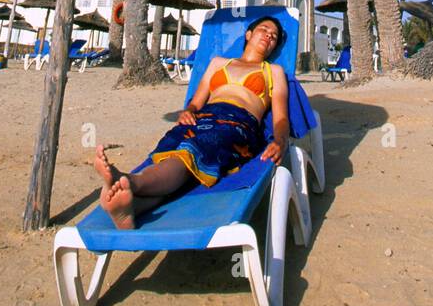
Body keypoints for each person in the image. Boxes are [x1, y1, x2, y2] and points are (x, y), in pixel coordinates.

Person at [94, 17, 290, 229]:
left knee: (192, 152)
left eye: (274, 37)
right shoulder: (218, 63)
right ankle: (133, 209)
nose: (269, 35)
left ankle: (130, 181)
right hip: (203, 117)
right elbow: (196, 101)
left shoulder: (274, 72)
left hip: (238, 123)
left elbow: (281, 117)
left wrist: (280, 141)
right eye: (264, 29)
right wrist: (188, 111)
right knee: (171, 153)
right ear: (249, 34)